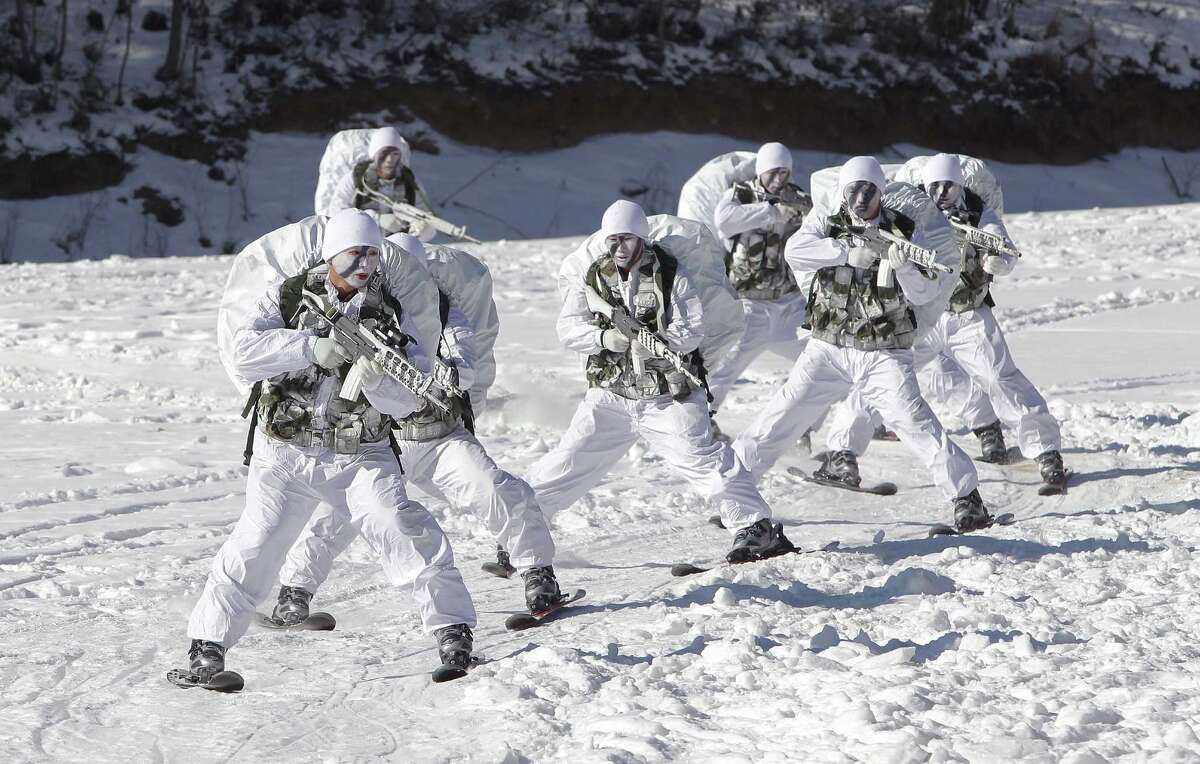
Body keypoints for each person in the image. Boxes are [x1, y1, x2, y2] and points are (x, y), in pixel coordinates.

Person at [181, 210, 477, 685]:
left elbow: (407, 398)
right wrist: (308, 347)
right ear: (332, 253)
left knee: (400, 527)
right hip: (285, 453)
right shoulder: (290, 295)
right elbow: (243, 351)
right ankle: (206, 648)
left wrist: (378, 378)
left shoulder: (395, 310)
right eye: (354, 252)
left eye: (372, 253)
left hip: (360, 453)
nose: (364, 262)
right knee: (254, 545)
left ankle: (452, 630)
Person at [271, 232, 565, 623]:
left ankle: (537, 571)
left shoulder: (442, 307)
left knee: (491, 486)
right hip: (369, 440)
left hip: (432, 438)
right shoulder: (357, 305)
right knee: (336, 516)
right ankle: (296, 590)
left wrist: (450, 370)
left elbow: (464, 352)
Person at [732, 156, 996, 532]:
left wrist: (902, 265)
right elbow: (796, 251)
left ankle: (967, 499)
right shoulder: (828, 222)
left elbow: (925, 293)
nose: (859, 198)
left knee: (916, 423)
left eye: (867, 190)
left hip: (883, 352)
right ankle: (735, 492)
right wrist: (845, 252)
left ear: (880, 192)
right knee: (780, 417)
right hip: (828, 346)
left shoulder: (904, 230)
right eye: (852, 189)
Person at [524, 200, 791, 563]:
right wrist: (605, 339)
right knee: (567, 461)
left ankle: (755, 526)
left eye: (627, 240)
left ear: (641, 240)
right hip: (612, 395)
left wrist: (655, 343)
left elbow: (690, 330)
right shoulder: (593, 278)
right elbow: (568, 328)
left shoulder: (670, 274)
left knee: (702, 460)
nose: (619, 248)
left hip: (668, 396)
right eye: (613, 240)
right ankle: (522, 531)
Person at [823, 154, 1066, 489]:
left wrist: (1000, 262)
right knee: (881, 377)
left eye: (947, 186)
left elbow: (1001, 243)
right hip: (922, 316)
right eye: (933, 186)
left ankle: (1046, 452)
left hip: (968, 314)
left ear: (960, 185)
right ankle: (842, 452)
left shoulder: (979, 212)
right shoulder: (915, 210)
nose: (940, 193)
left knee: (1000, 377)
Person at [706, 143, 813, 437]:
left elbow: (819, 223)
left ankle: (800, 424)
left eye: (784, 172)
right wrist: (770, 212)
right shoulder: (741, 194)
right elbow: (724, 222)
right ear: (761, 171)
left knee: (816, 360)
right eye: (773, 172)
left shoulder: (798, 197)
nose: (779, 178)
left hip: (788, 301)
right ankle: (703, 419)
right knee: (728, 363)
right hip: (747, 300)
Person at [327, 126, 435, 240]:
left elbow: (425, 214)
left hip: (400, 248)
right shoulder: (355, 178)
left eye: (395, 154)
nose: (389, 159)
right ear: (374, 155)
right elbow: (336, 214)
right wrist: (376, 219)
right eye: (384, 153)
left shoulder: (409, 180)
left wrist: (423, 229)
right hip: (360, 243)